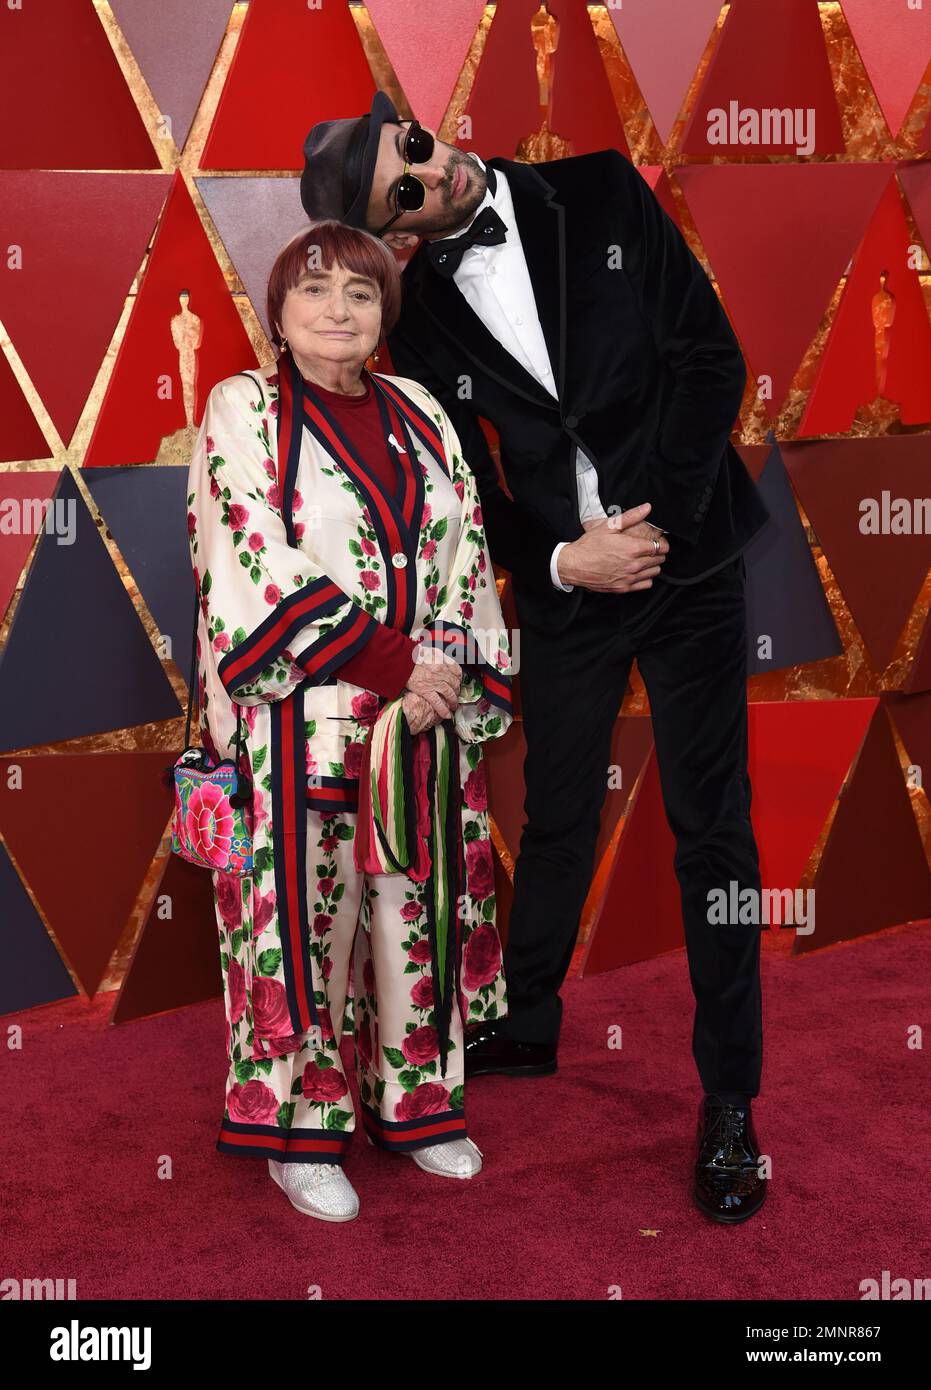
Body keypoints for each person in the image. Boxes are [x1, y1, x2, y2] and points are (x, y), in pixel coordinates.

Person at [299, 91, 773, 1223]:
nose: (426, 172)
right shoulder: (414, 323)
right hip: (571, 586)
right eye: (398, 194)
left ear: (418, 120)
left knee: (711, 829)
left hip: (687, 557)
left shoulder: (604, 187)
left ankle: (731, 1104)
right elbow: (471, 492)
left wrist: (650, 532)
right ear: (398, 234)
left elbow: (711, 360)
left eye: (409, 147)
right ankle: (528, 1018)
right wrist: (566, 562)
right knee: (557, 809)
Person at [186, 219, 513, 1222]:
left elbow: (464, 544)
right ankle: (302, 1131)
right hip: (300, 716)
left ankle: (417, 1104)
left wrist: (445, 668)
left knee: (412, 910)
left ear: (385, 314)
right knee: (302, 920)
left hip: (419, 718)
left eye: (361, 294)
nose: (338, 312)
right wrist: (396, 661)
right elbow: (248, 558)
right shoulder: (243, 409)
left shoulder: (419, 409)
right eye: (316, 291)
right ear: (278, 311)